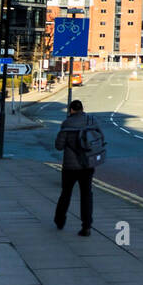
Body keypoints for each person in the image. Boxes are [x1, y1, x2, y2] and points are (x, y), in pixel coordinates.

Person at [54, 99, 99, 236]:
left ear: (71, 110)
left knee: (66, 193)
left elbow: (59, 146)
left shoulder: (67, 123)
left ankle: (60, 220)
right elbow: (96, 141)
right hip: (87, 164)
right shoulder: (91, 121)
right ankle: (87, 226)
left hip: (70, 166)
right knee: (86, 195)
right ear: (82, 109)